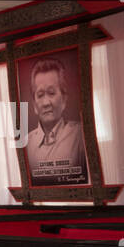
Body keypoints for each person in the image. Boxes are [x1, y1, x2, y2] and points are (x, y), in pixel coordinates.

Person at [23, 57, 86, 185]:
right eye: (40, 95)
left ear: (64, 99)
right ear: (34, 105)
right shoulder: (26, 144)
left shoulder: (80, 135)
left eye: (51, 93)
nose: (46, 103)